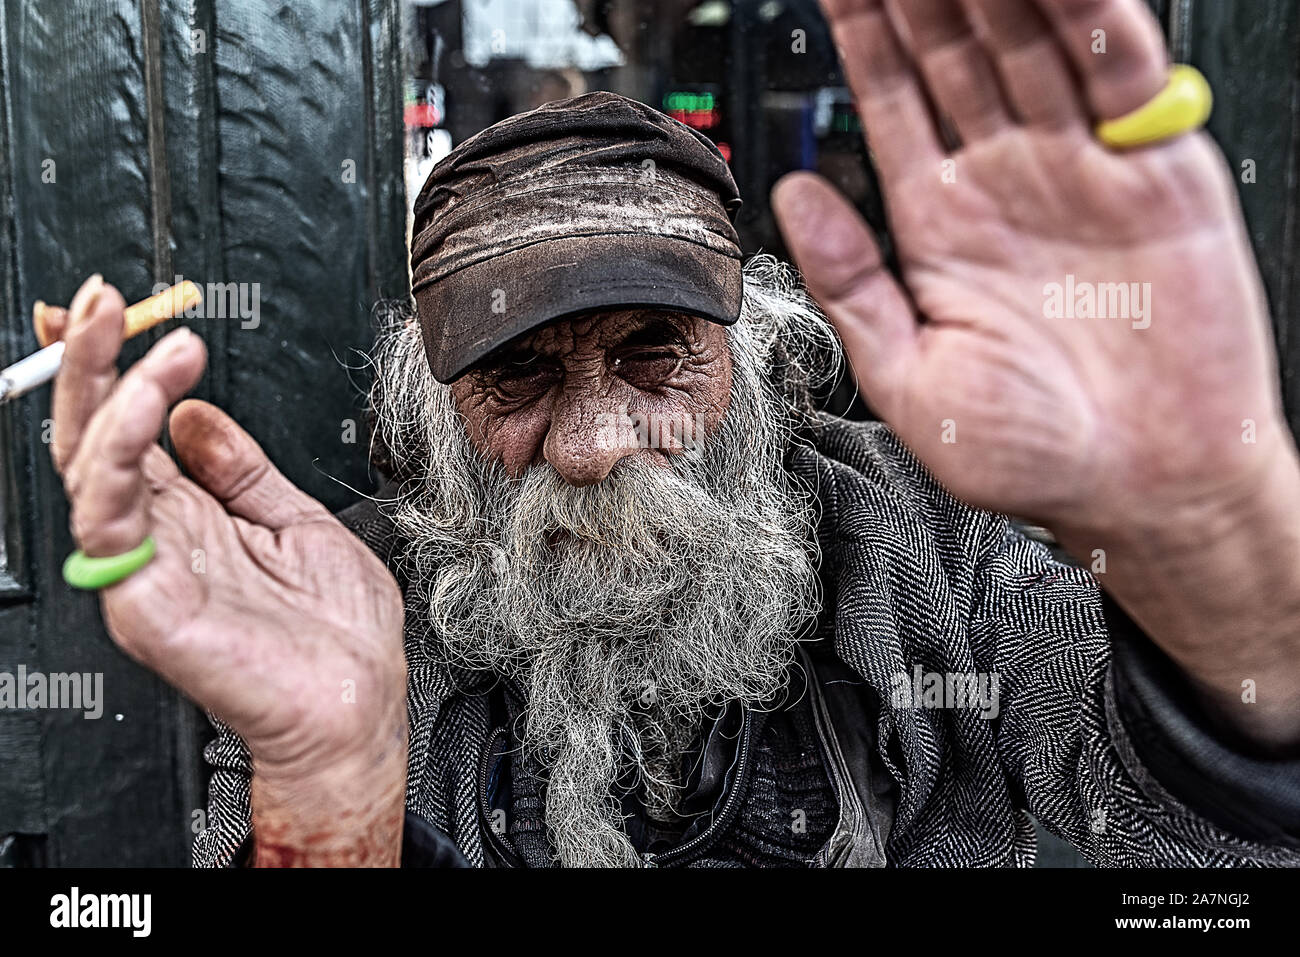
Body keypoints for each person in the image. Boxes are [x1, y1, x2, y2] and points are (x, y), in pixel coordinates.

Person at [42, 0, 1300, 867]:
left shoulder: (926, 551)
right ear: (434, 415)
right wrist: (333, 785)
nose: (594, 445)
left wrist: (1211, 544)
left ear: (758, 365)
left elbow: (1203, 845)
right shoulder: (353, 612)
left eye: (656, 352)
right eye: (517, 378)